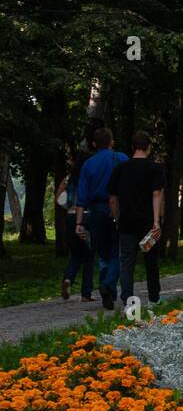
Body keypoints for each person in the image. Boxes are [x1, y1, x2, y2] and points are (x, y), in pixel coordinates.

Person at [108, 131, 166, 309]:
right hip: (148, 225)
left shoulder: (120, 169)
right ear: (148, 147)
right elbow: (157, 194)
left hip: (126, 223)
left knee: (127, 262)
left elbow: (112, 198)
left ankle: (128, 301)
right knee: (151, 262)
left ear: (132, 147)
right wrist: (156, 221)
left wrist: (117, 218)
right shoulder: (155, 169)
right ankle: (154, 298)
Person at [75, 128, 128, 310]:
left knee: (103, 252)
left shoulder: (88, 164)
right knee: (119, 251)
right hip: (118, 208)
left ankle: (109, 290)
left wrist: (79, 223)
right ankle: (108, 284)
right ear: (112, 142)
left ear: (94, 144)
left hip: (96, 210)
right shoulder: (121, 159)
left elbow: (81, 197)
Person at [58, 143, 95, 301]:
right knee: (89, 255)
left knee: (76, 254)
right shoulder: (90, 177)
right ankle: (86, 294)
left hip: (71, 217)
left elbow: (58, 197)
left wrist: (68, 206)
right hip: (86, 217)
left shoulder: (68, 178)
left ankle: (68, 279)